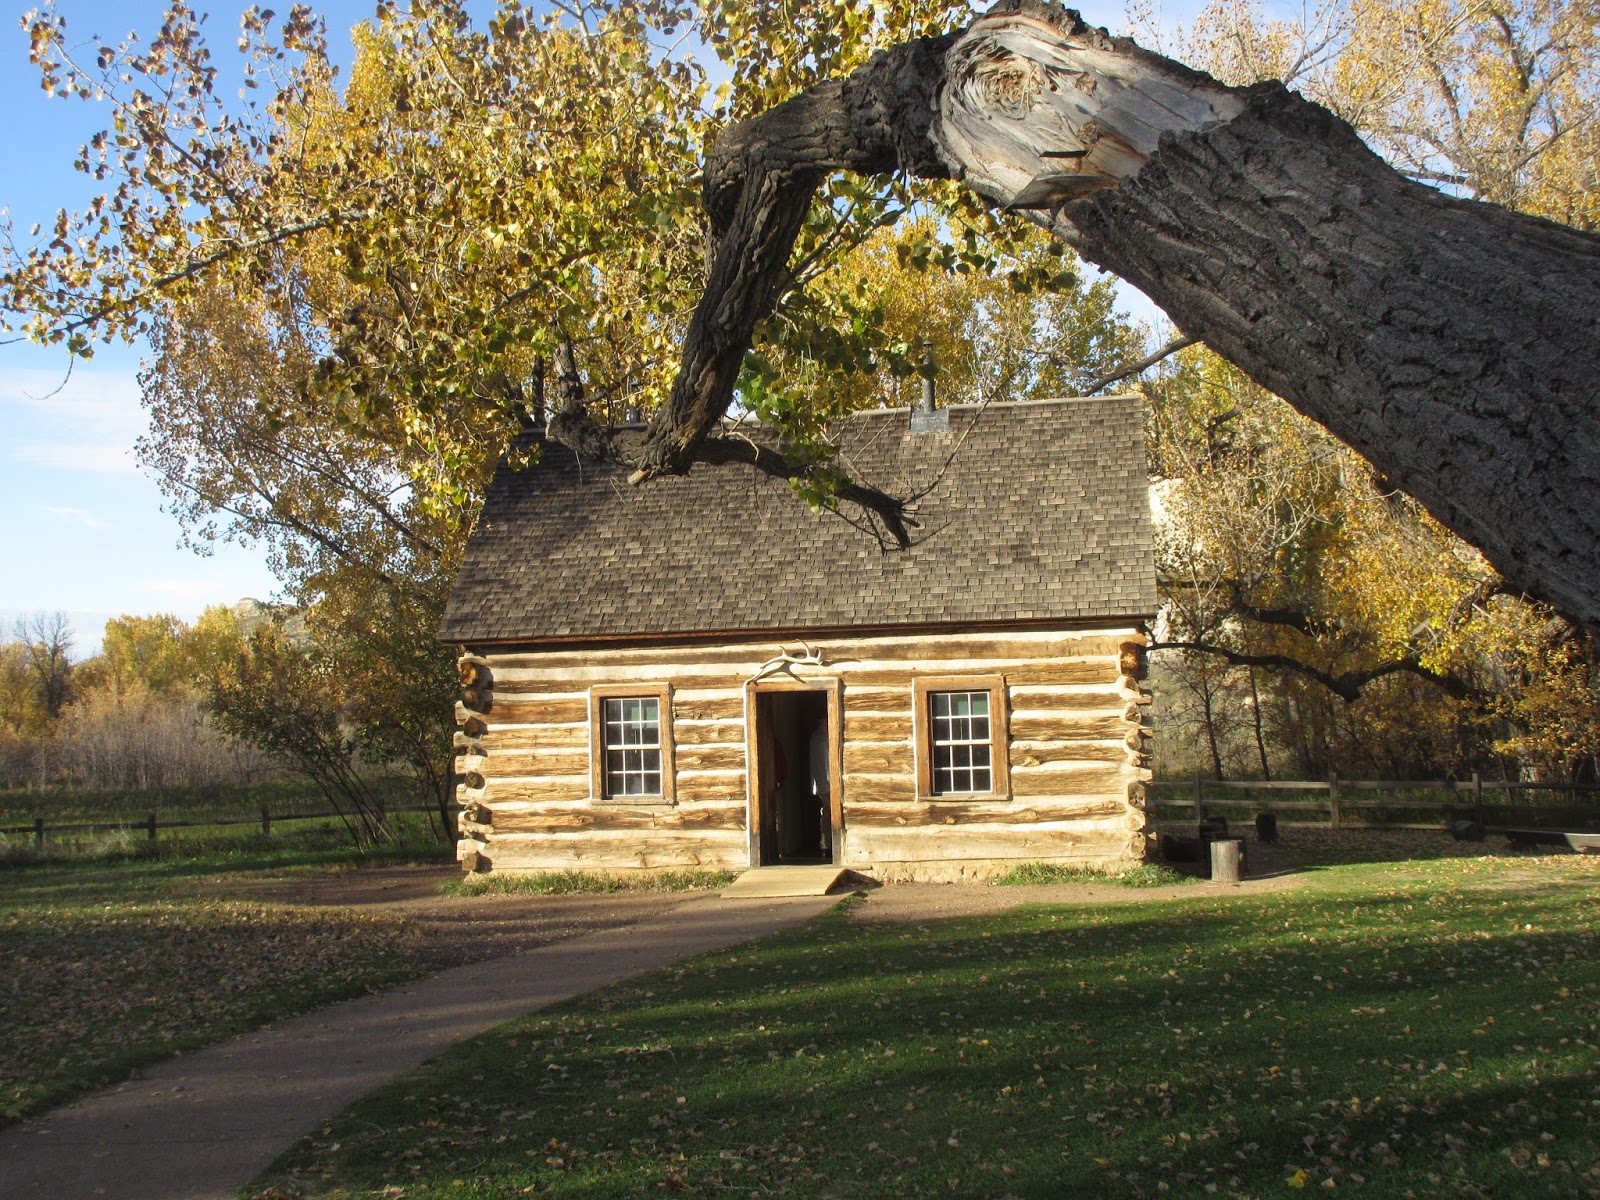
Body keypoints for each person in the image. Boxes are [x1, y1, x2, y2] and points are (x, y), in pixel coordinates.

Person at [809, 716, 831, 857]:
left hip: (822, 781)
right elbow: (826, 762)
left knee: (827, 812)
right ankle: (826, 845)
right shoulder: (821, 738)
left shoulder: (816, 737)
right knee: (829, 813)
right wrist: (830, 780)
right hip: (826, 781)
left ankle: (826, 844)